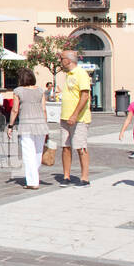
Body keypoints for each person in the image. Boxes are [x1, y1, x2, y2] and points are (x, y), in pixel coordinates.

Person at [7, 69, 46, 189]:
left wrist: (10, 126)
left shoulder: (18, 91)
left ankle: (32, 181)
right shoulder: (40, 90)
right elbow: (44, 109)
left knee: (28, 153)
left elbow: (15, 110)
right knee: (38, 152)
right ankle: (34, 176)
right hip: (40, 124)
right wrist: (45, 123)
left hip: (26, 125)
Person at [57, 49, 92, 186]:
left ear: (68, 60)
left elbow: (84, 96)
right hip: (65, 117)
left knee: (80, 147)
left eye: (62, 59)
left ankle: (85, 177)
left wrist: (75, 114)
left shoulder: (81, 73)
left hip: (79, 119)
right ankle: (66, 175)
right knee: (65, 146)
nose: (60, 61)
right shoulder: (68, 74)